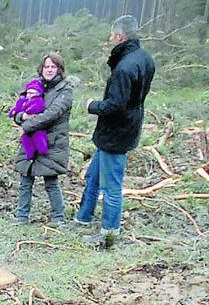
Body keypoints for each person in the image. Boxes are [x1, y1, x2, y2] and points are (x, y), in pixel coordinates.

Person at [75, 15, 156, 247]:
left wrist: (92, 105)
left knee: (111, 187)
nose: (110, 39)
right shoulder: (144, 59)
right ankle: (83, 218)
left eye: (112, 35)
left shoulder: (125, 67)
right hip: (121, 130)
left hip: (116, 134)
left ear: (120, 36)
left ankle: (109, 231)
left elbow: (115, 105)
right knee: (92, 177)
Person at [11, 53, 75, 225]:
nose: (49, 70)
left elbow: (51, 115)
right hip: (31, 141)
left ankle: (58, 217)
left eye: (53, 67)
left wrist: (26, 124)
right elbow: (19, 108)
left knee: (51, 182)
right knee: (25, 180)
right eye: (46, 66)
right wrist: (20, 117)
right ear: (41, 68)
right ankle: (22, 217)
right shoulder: (35, 86)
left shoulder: (65, 90)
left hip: (53, 142)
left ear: (59, 69)